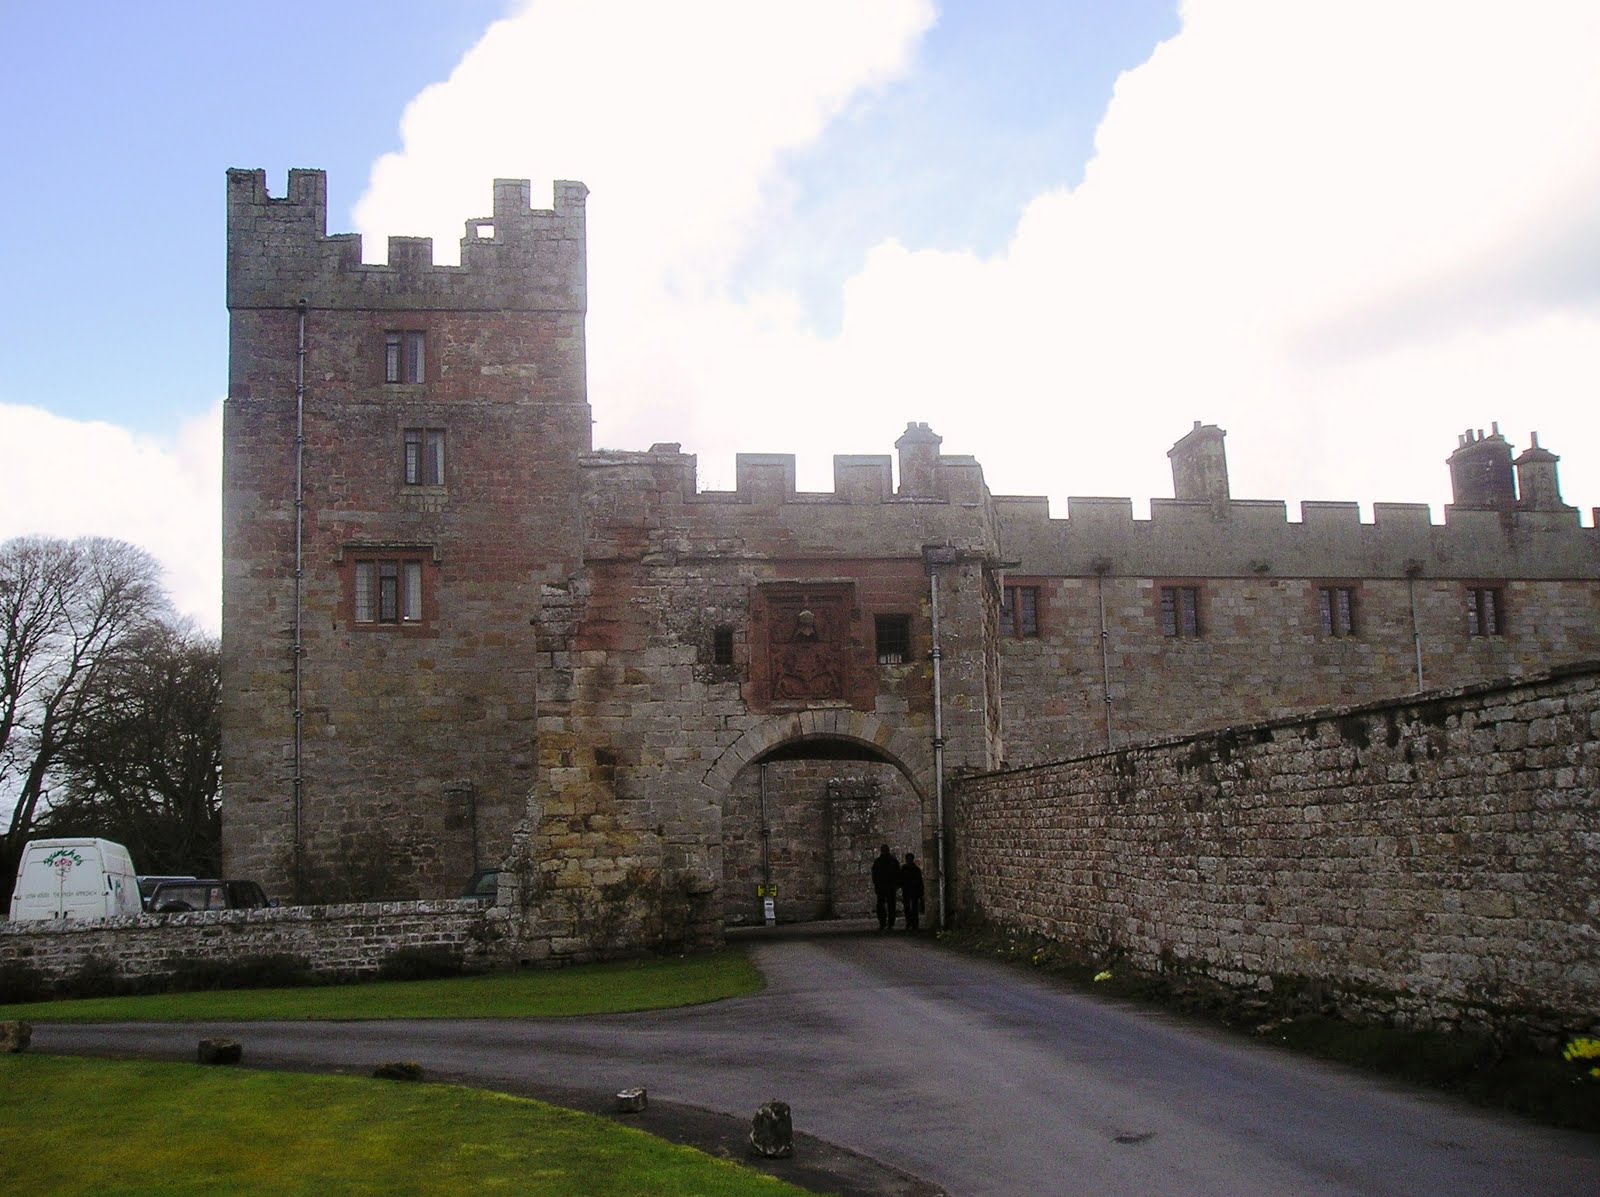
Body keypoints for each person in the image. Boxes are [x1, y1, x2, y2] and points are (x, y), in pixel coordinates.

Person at [871, 844, 900, 930]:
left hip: (885, 886)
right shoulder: (890, 861)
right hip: (885, 886)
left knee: (887, 905)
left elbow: (875, 874)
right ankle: (885, 922)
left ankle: (886, 922)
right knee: (886, 905)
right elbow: (875, 874)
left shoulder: (880, 861)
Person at [900, 852, 925, 932]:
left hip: (913, 890)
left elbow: (919, 881)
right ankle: (910, 922)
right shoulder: (905, 868)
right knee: (908, 907)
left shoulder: (915, 869)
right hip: (908, 890)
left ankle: (914, 923)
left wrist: (920, 892)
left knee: (914, 907)